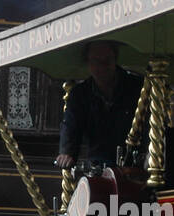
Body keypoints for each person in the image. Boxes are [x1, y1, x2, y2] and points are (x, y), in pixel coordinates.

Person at [56, 40, 144, 169]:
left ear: (115, 60)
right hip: (98, 166)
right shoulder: (80, 94)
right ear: (88, 63)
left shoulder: (137, 87)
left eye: (107, 60)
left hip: (134, 165)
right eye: (96, 61)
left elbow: (149, 123)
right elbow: (70, 125)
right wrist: (66, 152)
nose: (102, 66)